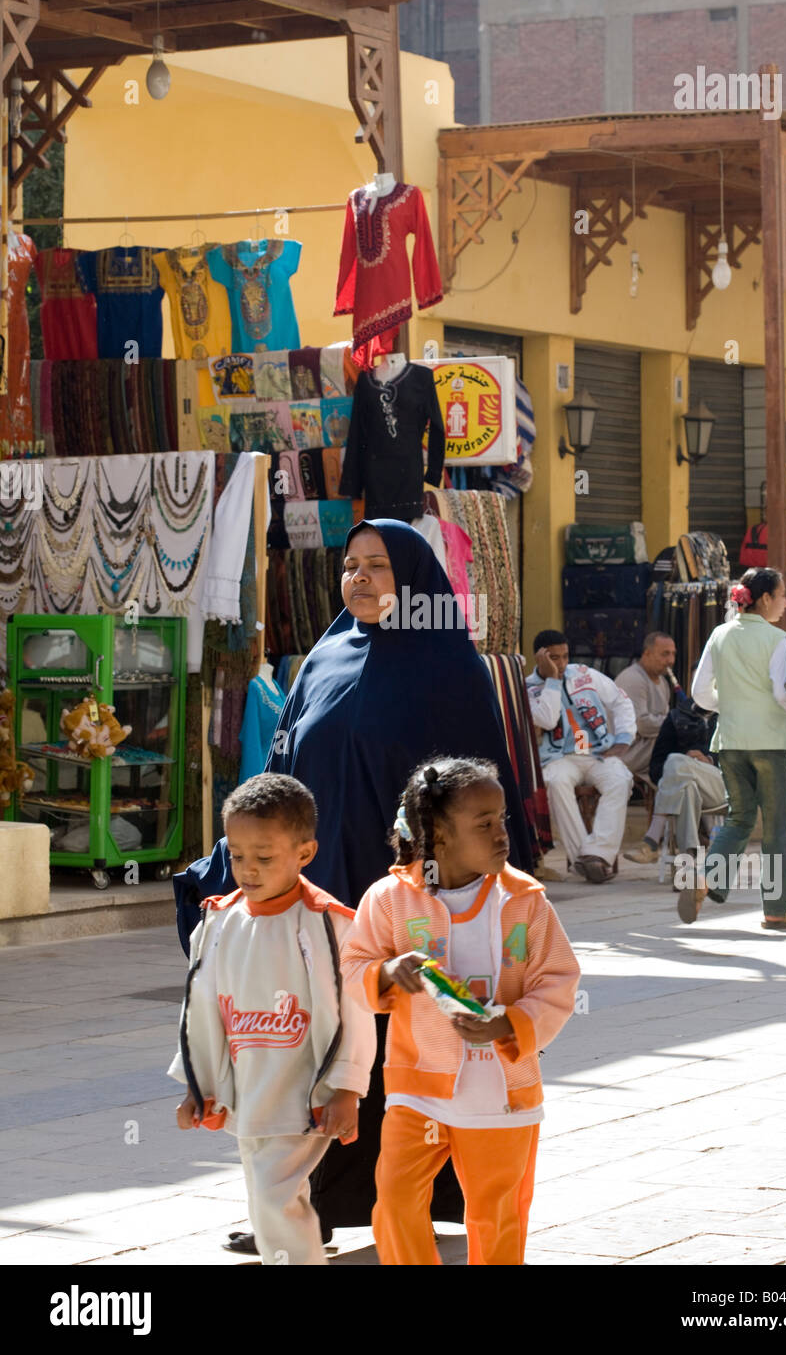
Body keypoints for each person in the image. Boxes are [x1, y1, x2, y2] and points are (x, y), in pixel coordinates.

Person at [173, 518, 534, 1246]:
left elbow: (475, 790)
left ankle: (401, 1200)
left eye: (377, 566)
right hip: (315, 888)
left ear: (416, 580)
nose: (359, 579)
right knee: (310, 1041)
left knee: (397, 1043)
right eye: (350, 566)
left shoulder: (447, 667)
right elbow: (280, 764)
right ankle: (295, 1203)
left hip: (405, 895)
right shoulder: (326, 655)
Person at [341, 757, 580, 1266]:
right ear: (439, 835)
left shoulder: (525, 901)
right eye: (484, 824)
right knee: (398, 1198)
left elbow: (558, 980)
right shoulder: (389, 901)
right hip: (417, 1087)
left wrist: (509, 1024)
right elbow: (352, 967)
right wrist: (385, 972)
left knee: (497, 1214)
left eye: (502, 820)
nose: (501, 835)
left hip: (502, 1095)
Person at [168, 774, 376, 1265]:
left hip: (303, 1094)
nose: (248, 870)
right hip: (249, 1092)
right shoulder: (218, 921)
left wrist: (346, 1089)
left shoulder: (329, 923)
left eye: (264, 858)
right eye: (237, 856)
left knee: (274, 1199)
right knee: (269, 1200)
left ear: (305, 853)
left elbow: (355, 1010)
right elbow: (200, 1007)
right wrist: (198, 1086)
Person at [685, 566, 786, 930]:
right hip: (769, 743)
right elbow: (784, 695)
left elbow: (700, 693)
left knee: (739, 817)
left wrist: (732, 704)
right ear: (766, 598)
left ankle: (707, 879)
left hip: (731, 741)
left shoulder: (720, 634)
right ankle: (776, 909)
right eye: (783, 596)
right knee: (776, 829)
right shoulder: (775, 639)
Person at [526, 629, 636, 883]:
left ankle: (595, 855)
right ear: (540, 658)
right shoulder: (529, 688)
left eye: (565, 656)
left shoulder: (585, 674)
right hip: (559, 757)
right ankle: (585, 860)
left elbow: (621, 701)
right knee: (555, 782)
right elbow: (547, 718)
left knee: (620, 779)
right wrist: (552, 680)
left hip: (597, 751)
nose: (562, 663)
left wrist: (623, 739)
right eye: (554, 658)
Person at [624, 696, 726, 865]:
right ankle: (687, 865)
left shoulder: (731, 715)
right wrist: (682, 770)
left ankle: (651, 840)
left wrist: (709, 760)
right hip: (683, 790)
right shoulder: (676, 718)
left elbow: (741, 760)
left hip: (722, 785)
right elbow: (656, 767)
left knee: (676, 762)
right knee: (685, 786)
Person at [616, 633, 677, 779]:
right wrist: (674, 722)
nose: (670, 660)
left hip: (648, 746)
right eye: (665, 654)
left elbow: (663, 721)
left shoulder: (662, 682)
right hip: (629, 751)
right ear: (647, 654)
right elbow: (642, 724)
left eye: (673, 654)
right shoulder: (633, 679)